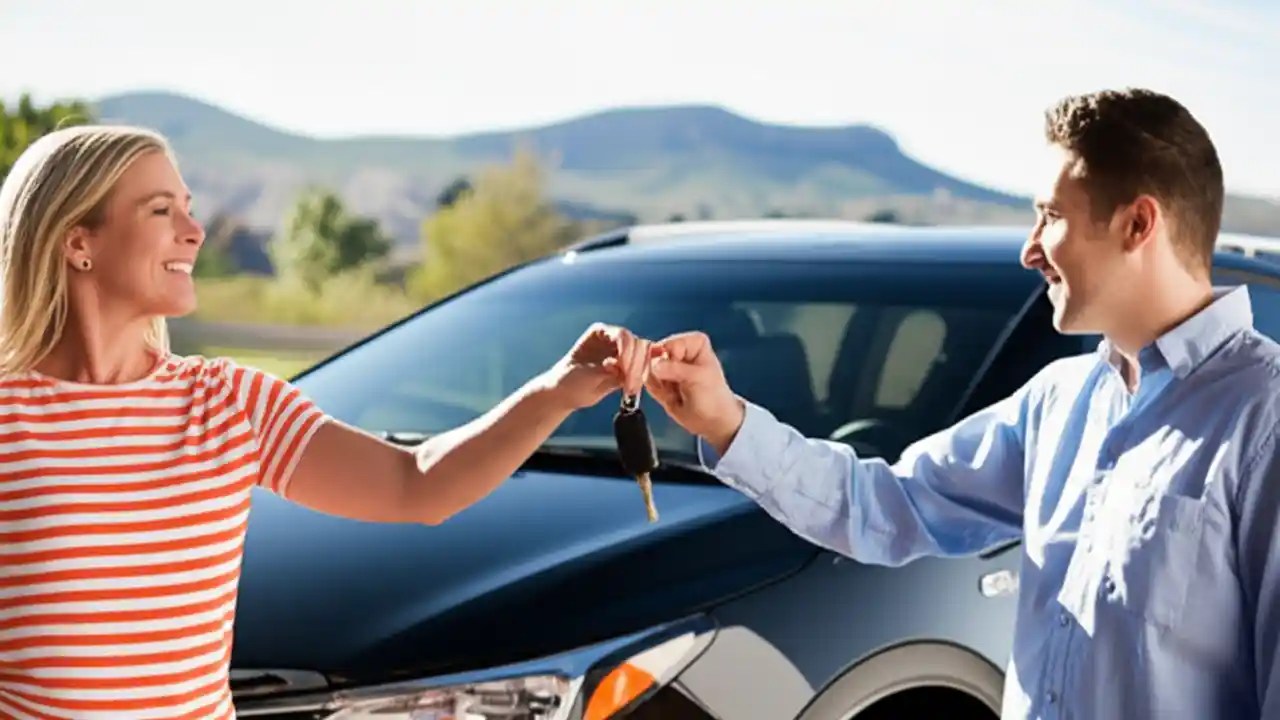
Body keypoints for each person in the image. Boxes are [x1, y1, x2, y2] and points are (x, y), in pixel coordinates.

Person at [639, 88, 1280, 719]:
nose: (1029, 249)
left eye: (1050, 215)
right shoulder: (1059, 402)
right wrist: (723, 420)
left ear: (1138, 224)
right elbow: (885, 505)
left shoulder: (1263, 419)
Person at [0, 125, 653, 719]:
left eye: (188, 208)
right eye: (161, 211)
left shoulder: (229, 403)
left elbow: (416, 483)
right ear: (78, 242)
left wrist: (553, 392)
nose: (195, 232)